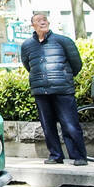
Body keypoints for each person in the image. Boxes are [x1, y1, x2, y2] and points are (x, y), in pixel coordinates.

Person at [19, 12, 88, 166]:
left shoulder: (63, 41)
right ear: (33, 26)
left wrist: (64, 76)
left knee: (70, 124)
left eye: (44, 19)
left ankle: (79, 157)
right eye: (38, 20)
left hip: (63, 90)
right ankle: (56, 155)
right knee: (48, 126)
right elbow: (28, 65)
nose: (42, 22)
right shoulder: (27, 45)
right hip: (41, 91)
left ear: (48, 22)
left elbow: (76, 64)